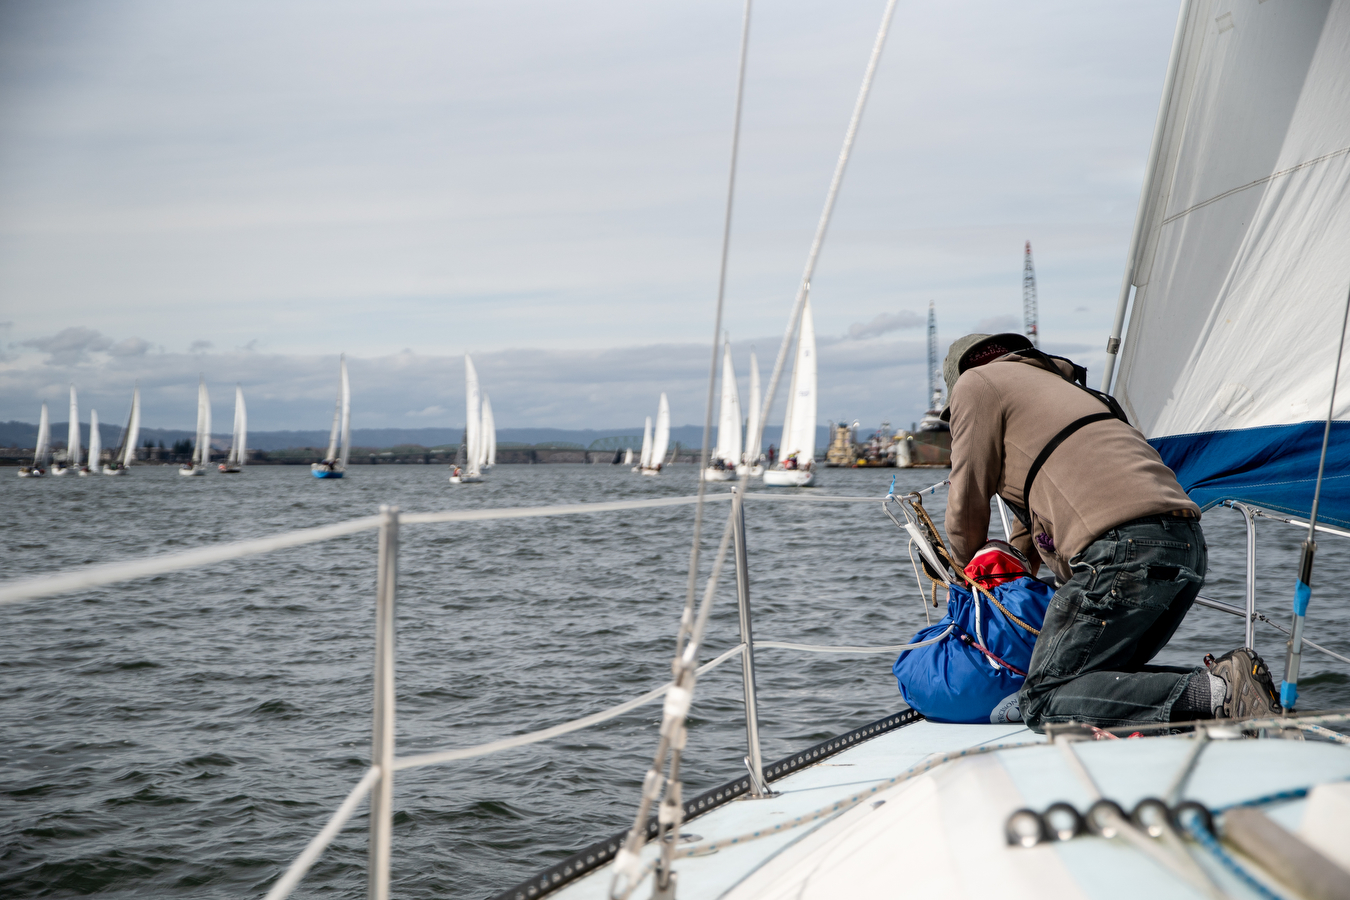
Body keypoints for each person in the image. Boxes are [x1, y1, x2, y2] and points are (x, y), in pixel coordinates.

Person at [941, 332, 1281, 730]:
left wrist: (967, 579)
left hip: (1121, 549)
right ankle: (1228, 691)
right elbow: (1032, 526)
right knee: (1099, 677)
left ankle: (1218, 691)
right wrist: (1013, 581)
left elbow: (967, 503)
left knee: (1043, 698)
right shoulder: (1066, 392)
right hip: (1185, 544)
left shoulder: (975, 383)